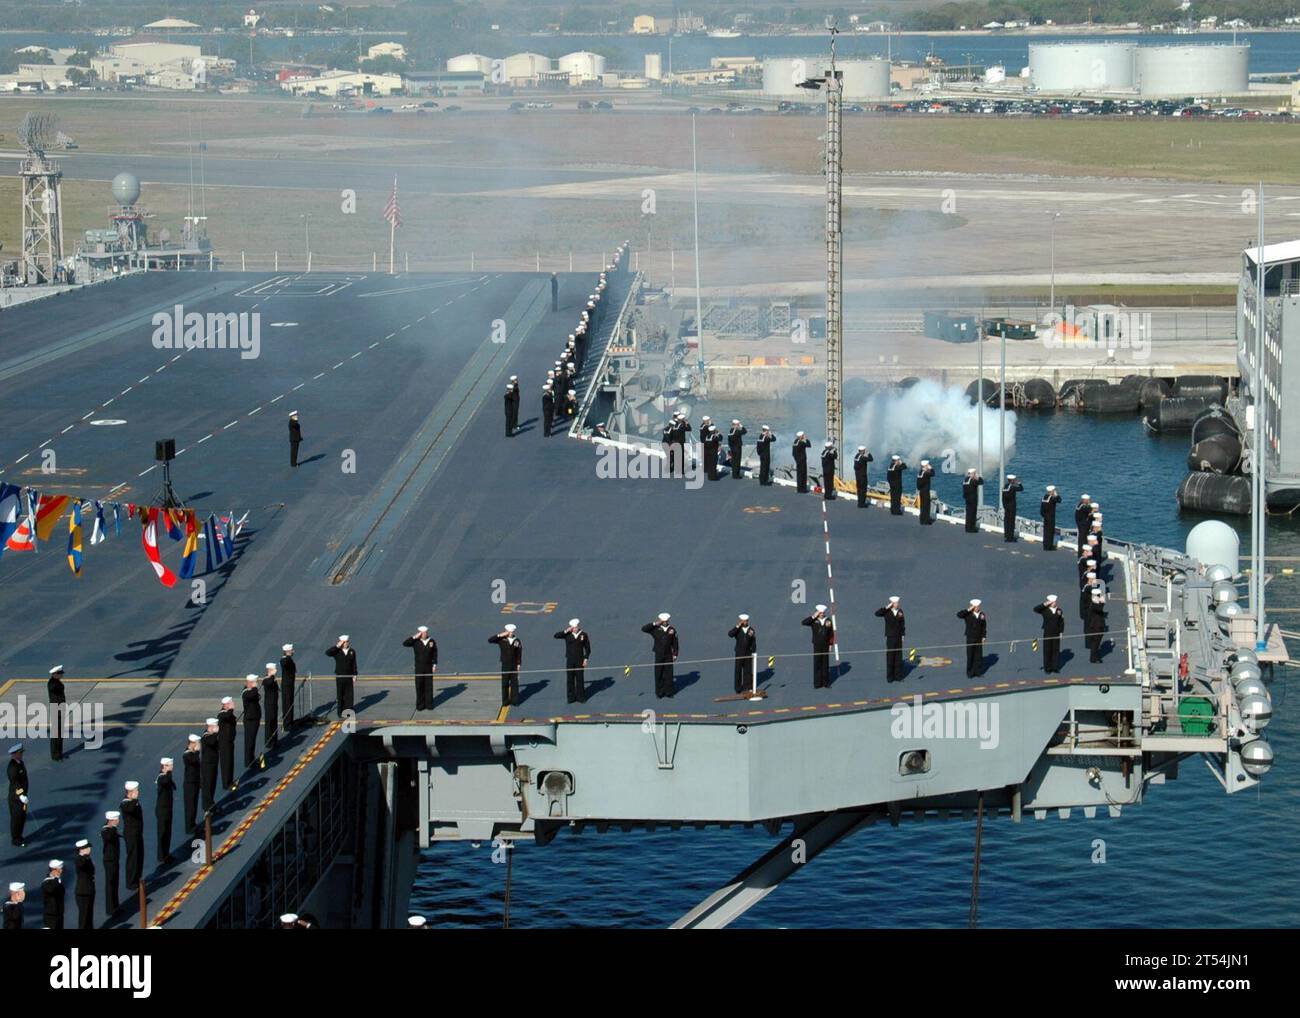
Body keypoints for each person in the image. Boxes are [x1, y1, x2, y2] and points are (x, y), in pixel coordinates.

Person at [641, 613, 679, 698]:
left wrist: (675, 654)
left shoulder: (672, 630)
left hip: (668, 654)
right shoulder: (655, 629)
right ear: (660, 620)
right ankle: (659, 692)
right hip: (659, 654)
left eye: (666, 621)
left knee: (669, 673)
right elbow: (644, 629)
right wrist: (654, 623)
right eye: (663, 621)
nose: (665, 622)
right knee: (659, 673)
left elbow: (675, 643)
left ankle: (669, 692)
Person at [553, 619, 591, 704]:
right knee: (570, 678)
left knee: (580, 678)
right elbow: (556, 635)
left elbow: (588, 648)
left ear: (578, 626)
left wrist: (585, 659)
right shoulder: (567, 634)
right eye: (572, 627)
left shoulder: (584, 635)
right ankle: (571, 697)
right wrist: (566, 631)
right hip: (570, 660)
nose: (574, 629)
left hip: (580, 660)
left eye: (575, 627)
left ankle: (581, 697)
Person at [403, 626, 439, 712]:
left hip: (428, 667)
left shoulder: (431, 641)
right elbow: (405, 643)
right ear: (419, 633)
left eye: (425, 632)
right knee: (419, 686)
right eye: (422, 633)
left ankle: (429, 704)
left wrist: (434, 665)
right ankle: (420, 705)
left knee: (429, 686)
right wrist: (414, 637)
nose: (424, 634)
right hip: (419, 667)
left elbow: (435, 653)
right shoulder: (415, 642)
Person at [489, 625, 523, 707]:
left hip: (514, 664)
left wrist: (518, 664)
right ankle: (505, 701)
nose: (511, 633)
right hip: (505, 664)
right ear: (506, 631)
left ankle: (514, 700)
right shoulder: (501, 640)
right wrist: (500, 635)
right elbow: (490, 640)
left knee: (515, 683)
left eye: (512, 632)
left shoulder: (517, 640)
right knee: (505, 683)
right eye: (509, 632)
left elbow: (519, 653)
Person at [801, 605, 835, 689]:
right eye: (820, 613)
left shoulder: (828, 620)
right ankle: (817, 684)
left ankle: (826, 683)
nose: (822, 614)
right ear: (818, 613)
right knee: (817, 664)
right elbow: (804, 622)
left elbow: (831, 633)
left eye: (823, 613)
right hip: (817, 645)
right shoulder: (814, 621)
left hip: (826, 645)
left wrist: (831, 644)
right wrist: (813, 616)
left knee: (825, 664)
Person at [874, 596, 906, 681]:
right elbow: (877, 613)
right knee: (890, 656)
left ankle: (898, 676)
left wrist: (903, 635)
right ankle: (890, 677)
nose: (897, 604)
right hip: (891, 637)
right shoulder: (886, 612)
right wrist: (886, 607)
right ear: (892, 603)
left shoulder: (900, 611)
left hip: (899, 637)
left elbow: (902, 624)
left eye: (898, 603)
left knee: (898, 656)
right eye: (896, 603)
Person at [326, 635, 358, 717]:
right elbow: (328, 653)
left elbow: (354, 664)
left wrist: (355, 674)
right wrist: (337, 646)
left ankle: (348, 711)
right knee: (340, 694)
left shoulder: (352, 651)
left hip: (349, 676)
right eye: (344, 642)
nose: (346, 643)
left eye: (347, 642)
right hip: (340, 676)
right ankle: (340, 712)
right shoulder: (337, 651)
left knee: (349, 695)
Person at [121, 780, 144, 892]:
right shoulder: (125, 803)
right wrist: (134, 800)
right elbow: (130, 809)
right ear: (130, 792)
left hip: (137, 833)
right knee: (133, 857)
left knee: (139, 856)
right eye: (136, 791)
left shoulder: (134, 802)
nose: (138, 792)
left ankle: (137, 878)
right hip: (131, 835)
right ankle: (131, 882)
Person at [1033, 595, 1065, 674]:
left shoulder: (1059, 610)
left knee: (1055, 649)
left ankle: (1055, 667)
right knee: (1047, 650)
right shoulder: (1045, 610)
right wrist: (1045, 604)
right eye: (1053, 602)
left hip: (1056, 632)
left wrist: (1061, 632)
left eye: (1055, 601)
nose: (1055, 603)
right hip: (1048, 632)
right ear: (1050, 603)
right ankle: (1047, 668)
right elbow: (1035, 609)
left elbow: (1061, 622)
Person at [956, 599, 988, 678]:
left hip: (979, 638)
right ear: (973, 607)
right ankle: (970, 673)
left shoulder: (982, 614)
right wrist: (968, 609)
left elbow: (984, 626)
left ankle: (977, 672)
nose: (978, 608)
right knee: (970, 655)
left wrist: (984, 636)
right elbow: (959, 615)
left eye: (978, 606)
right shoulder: (968, 614)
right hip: (970, 637)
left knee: (978, 656)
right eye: (976, 606)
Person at [727, 614, 757, 694]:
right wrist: (737, 626)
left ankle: (748, 687)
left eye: (745, 621)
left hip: (748, 653)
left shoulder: (751, 630)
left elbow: (753, 642)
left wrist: (754, 651)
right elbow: (730, 634)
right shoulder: (737, 629)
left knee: (748, 670)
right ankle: (738, 688)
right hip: (739, 653)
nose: (744, 622)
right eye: (742, 621)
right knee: (738, 670)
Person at [7, 743, 27, 847]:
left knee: (22, 817)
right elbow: (15, 784)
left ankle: (19, 835)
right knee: (16, 818)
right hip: (16, 798)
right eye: (20, 753)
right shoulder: (12, 767)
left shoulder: (20, 763)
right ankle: (15, 839)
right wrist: (21, 795)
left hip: (23, 796)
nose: (21, 754)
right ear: (14, 754)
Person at [155, 758, 176, 865]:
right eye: (169, 765)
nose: (172, 767)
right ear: (164, 766)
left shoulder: (166, 776)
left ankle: (166, 853)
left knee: (168, 831)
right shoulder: (161, 778)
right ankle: (161, 855)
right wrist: (168, 772)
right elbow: (166, 781)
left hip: (167, 808)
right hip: (162, 809)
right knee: (162, 832)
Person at [101, 810, 120, 914]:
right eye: (116, 819)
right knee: (111, 883)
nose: (118, 821)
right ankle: (111, 908)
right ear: (112, 820)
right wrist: (113, 828)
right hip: (109, 860)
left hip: (114, 858)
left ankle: (115, 906)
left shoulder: (111, 829)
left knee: (115, 883)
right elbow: (108, 837)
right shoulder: (106, 830)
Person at [200, 718, 220, 816]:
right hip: (207, 765)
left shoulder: (211, 736)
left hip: (213, 763)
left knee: (212, 784)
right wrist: (216, 733)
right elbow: (211, 742)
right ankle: (207, 807)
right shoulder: (206, 736)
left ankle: (211, 803)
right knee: (207, 786)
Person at [217, 696, 237, 790]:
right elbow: (228, 716)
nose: (232, 704)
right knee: (226, 762)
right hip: (224, 743)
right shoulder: (221, 715)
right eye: (230, 703)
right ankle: (226, 783)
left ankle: (230, 780)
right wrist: (231, 709)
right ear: (226, 705)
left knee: (230, 761)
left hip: (229, 741)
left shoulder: (228, 714)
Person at [182, 735, 201, 835]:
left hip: (195, 781)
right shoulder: (187, 754)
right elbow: (193, 760)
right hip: (189, 783)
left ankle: (193, 824)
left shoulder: (193, 754)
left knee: (194, 804)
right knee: (190, 806)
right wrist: (197, 751)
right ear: (192, 743)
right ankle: (189, 827)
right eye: (197, 743)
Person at [241, 675, 261, 768]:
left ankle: (251, 759)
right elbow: (253, 694)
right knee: (249, 741)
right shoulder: (246, 692)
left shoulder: (252, 691)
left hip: (255, 718)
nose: (256, 682)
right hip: (250, 720)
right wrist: (254, 687)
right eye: (255, 681)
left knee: (252, 740)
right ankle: (249, 762)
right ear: (250, 682)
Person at [74, 840, 94, 930]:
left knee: (89, 915)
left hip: (89, 889)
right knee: (84, 917)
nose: (89, 849)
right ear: (81, 850)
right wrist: (86, 856)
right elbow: (81, 865)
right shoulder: (79, 859)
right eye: (87, 847)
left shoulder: (86, 858)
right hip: (83, 892)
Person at [48, 665, 66, 761]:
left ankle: (60, 753)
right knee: (56, 734)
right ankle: (55, 755)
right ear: (55, 674)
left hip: (60, 709)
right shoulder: (52, 683)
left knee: (60, 733)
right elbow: (52, 688)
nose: (61, 675)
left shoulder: (57, 682)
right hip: (56, 709)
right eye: (60, 674)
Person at [1085, 591, 1107, 663]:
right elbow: (1099, 609)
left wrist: (1101, 602)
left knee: (1096, 643)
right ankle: (1094, 658)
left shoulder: (1095, 604)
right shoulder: (1093, 604)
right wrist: (1102, 602)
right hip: (1095, 627)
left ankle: (1095, 657)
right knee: (1095, 643)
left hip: (1099, 626)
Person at [262, 663, 280, 751]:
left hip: (274, 703)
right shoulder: (266, 679)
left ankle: (274, 740)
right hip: (269, 704)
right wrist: (272, 676)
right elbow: (268, 683)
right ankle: (269, 742)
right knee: (269, 723)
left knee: (274, 721)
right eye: (274, 669)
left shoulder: (272, 679)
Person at [42, 860, 64, 931]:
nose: (61, 870)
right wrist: (55, 878)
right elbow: (51, 890)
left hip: (59, 913)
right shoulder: (46, 882)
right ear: (54, 870)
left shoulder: (58, 881)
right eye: (59, 869)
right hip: (50, 915)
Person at [1001, 474, 1023, 542]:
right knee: (1011, 522)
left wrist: (1004, 506)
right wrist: (1019, 483)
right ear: (1013, 480)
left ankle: (1006, 535)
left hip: (1006, 507)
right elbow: (1021, 489)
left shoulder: (1005, 486)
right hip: (1012, 507)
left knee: (1006, 521)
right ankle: (1010, 537)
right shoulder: (1012, 487)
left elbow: (1003, 498)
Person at [280, 644, 297, 729]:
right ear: (288, 651)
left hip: (289, 684)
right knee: (287, 703)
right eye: (291, 650)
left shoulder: (288, 659)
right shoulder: (285, 660)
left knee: (290, 703)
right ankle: (287, 724)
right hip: (287, 685)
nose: (293, 651)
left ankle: (290, 721)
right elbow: (284, 663)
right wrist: (287, 656)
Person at [1040, 484, 1062, 550]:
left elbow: (1041, 509)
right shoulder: (1052, 498)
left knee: (1046, 531)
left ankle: (1045, 545)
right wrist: (1056, 494)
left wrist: (1043, 515)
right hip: (1051, 517)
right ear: (1052, 491)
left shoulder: (1044, 497)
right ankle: (1049, 546)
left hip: (1045, 517)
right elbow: (1059, 500)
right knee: (1050, 532)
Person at [700, 417, 721, 481]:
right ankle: (713, 477)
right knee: (713, 464)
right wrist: (718, 433)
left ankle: (709, 474)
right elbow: (720, 438)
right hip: (713, 451)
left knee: (709, 463)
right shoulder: (714, 436)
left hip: (708, 449)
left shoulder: (707, 436)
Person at [917, 460, 935, 524]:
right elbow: (933, 474)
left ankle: (922, 520)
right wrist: (931, 468)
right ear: (925, 465)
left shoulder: (920, 472)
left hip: (921, 491)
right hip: (925, 491)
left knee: (922, 506)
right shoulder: (926, 473)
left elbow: (918, 484)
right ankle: (926, 520)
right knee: (926, 506)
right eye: (928, 464)